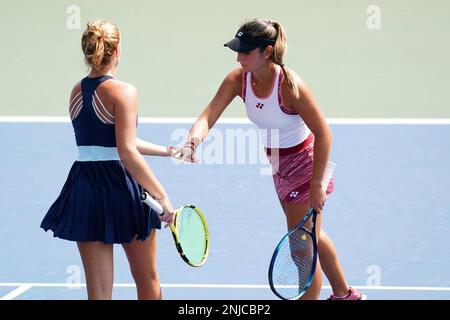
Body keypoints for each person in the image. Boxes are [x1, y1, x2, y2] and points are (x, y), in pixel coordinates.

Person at [175, 19, 366, 300]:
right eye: (237, 51)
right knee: (309, 234)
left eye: (245, 52)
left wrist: (316, 185)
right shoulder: (238, 79)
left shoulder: (289, 86)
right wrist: (193, 141)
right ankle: (344, 294)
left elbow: (325, 134)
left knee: (301, 249)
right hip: (278, 165)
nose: (239, 57)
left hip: (307, 165)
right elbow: (209, 114)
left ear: (266, 52)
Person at [40, 20, 175, 300]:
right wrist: (163, 199)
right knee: (147, 280)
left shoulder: (76, 91)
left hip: (84, 188)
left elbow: (108, 141)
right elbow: (125, 151)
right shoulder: (124, 91)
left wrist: (165, 150)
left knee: (98, 293)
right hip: (121, 188)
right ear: (117, 51)